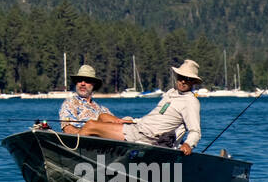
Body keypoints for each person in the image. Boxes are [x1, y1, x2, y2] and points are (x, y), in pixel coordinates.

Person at [63, 59, 203, 154]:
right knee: (103, 116)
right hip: (139, 126)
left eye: (188, 79)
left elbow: (195, 131)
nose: (183, 81)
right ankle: (94, 151)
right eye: (181, 77)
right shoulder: (171, 94)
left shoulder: (190, 101)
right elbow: (157, 118)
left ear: (194, 83)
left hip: (146, 135)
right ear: (176, 76)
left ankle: (70, 151)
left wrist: (188, 144)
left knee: (91, 125)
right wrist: (134, 120)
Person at [52, 65, 135, 134]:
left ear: (93, 85)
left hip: (105, 146)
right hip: (83, 144)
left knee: (124, 119)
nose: (83, 84)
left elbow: (115, 123)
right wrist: (89, 132)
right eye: (79, 80)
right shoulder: (70, 103)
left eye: (87, 81)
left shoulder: (102, 109)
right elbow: (67, 129)